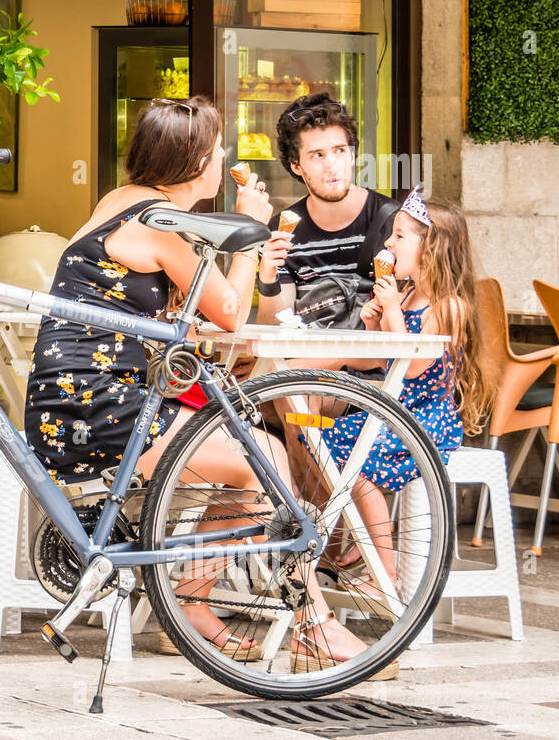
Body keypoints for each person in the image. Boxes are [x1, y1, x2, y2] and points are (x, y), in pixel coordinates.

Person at [24, 96, 380, 669]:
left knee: (253, 460)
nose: (222, 160)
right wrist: (252, 229)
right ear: (196, 163)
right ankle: (289, 620)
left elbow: (170, 310)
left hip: (71, 408)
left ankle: (195, 603)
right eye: (217, 152)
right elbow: (232, 312)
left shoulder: (119, 203)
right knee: (264, 458)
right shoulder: (162, 223)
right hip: (104, 413)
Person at [317, 191, 491, 599]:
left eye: (399, 237)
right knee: (328, 447)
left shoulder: (449, 307)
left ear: (432, 249)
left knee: (354, 461)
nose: (388, 246)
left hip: (427, 420)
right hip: (394, 411)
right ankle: (353, 551)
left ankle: (385, 569)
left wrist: (392, 310)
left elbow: (413, 364)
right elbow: (381, 362)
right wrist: (374, 324)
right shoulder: (410, 294)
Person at [255, 92, 399, 340]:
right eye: (318, 155)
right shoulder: (280, 231)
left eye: (340, 150)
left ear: (352, 154)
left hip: (377, 372)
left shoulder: (395, 223)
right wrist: (268, 277)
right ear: (296, 165)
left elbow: (413, 321)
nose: (332, 166)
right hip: (307, 372)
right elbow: (275, 337)